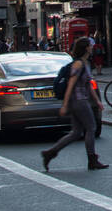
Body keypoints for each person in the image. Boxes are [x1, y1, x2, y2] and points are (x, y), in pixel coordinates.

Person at [41, 38, 107, 171]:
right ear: (85, 48)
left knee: (76, 132)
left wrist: (97, 101)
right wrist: (65, 105)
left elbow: (88, 84)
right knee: (91, 128)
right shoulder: (78, 64)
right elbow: (71, 84)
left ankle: (50, 153)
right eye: (90, 45)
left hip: (80, 100)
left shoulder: (85, 63)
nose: (92, 47)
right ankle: (92, 160)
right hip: (78, 101)